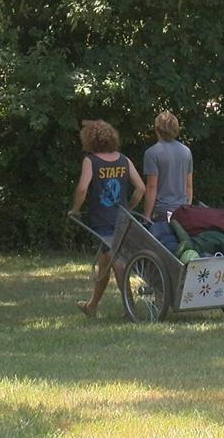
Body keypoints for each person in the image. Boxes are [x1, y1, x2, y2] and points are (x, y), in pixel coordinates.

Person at [68, 120, 145, 317]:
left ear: (89, 139)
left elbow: (83, 188)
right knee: (105, 262)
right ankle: (92, 306)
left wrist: (75, 209)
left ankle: (130, 308)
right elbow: (141, 189)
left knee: (116, 261)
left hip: (102, 221)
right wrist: (129, 208)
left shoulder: (91, 161)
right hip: (122, 220)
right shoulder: (124, 160)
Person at [142, 111, 193, 222]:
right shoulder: (186, 152)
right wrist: (187, 207)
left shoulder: (152, 153)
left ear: (157, 129)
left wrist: (146, 216)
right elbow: (189, 186)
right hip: (182, 210)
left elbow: (151, 187)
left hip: (162, 211)